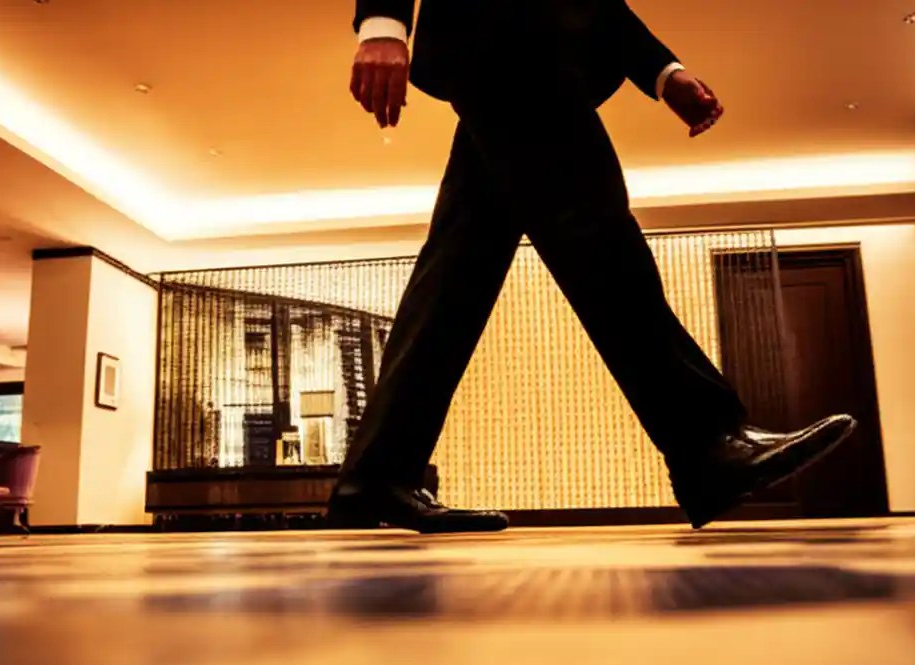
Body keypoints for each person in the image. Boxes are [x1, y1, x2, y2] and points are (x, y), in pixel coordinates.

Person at [327, 0, 855, 533]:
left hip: (536, 53)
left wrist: (660, 70)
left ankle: (379, 475)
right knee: (596, 232)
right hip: (505, 45)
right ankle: (705, 443)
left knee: (457, 273)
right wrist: (383, 23)